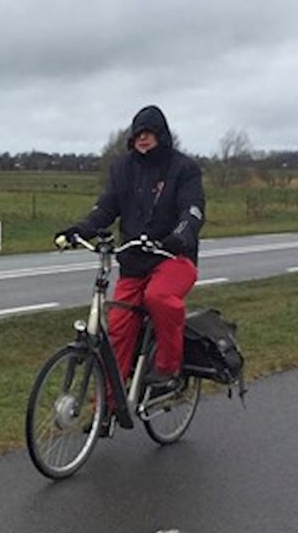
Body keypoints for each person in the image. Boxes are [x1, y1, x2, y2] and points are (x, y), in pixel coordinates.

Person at [56, 104, 205, 394]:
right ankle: (108, 407)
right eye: (138, 134)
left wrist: (178, 236)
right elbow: (107, 208)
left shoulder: (184, 169)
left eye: (149, 133)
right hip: (134, 260)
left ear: (162, 135)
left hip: (173, 257)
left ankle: (167, 370)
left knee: (159, 297)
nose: (143, 139)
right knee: (119, 326)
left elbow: (193, 211)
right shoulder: (122, 168)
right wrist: (81, 229)